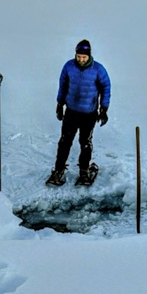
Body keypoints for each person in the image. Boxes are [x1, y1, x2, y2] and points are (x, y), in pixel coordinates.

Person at [48, 39, 111, 185]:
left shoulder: (98, 69)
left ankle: (84, 172)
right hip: (71, 112)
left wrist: (104, 109)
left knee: (85, 142)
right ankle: (58, 171)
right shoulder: (69, 67)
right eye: (79, 57)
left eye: (84, 57)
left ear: (89, 55)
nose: (81, 60)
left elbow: (106, 88)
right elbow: (63, 85)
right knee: (65, 141)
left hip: (89, 113)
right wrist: (60, 104)